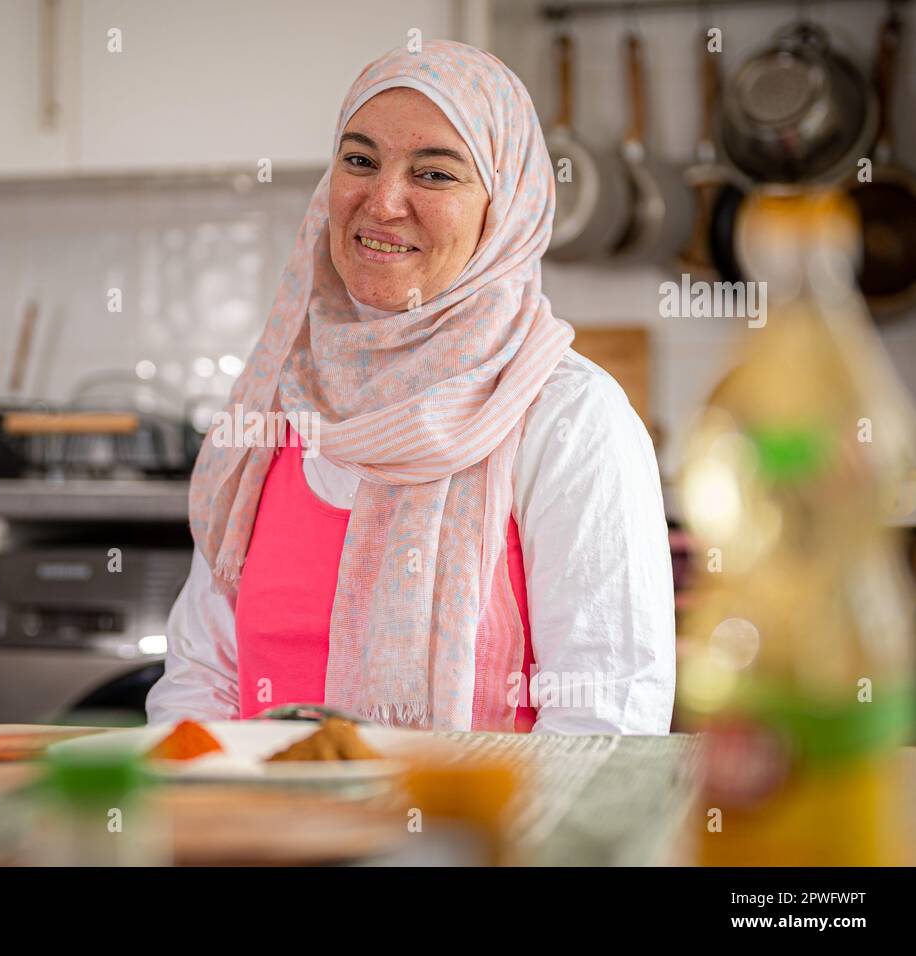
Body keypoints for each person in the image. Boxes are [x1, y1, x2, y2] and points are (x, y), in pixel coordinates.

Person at [146, 39, 675, 734]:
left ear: (504, 211)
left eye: (434, 173)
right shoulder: (275, 406)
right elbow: (201, 680)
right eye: (359, 161)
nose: (384, 202)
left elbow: (606, 724)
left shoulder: (568, 416)